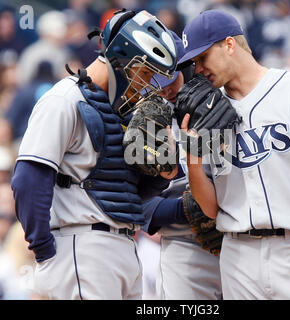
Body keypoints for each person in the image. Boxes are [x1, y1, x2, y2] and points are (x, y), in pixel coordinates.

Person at [177, 9, 290, 300]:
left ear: (229, 45)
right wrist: (194, 162)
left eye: (202, 57)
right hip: (237, 255)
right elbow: (211, 209)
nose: (199, 69)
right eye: (193, 62)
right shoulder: (205, 114)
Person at [11, 9, 177, 300]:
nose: (147, 83)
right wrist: (44, 248)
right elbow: (28, 178)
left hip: (124, 246)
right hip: (82, 246)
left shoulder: (125, 114)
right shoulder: (65, 98)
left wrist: (165, 169)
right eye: (146, 71)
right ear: (123, 59)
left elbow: (128, 194)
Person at [141, 31, 222, 300]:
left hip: (237, 242)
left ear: (186, 66)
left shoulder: (220, 105)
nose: (165, 89)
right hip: (182, 248)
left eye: (169, 78)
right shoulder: (146, 121)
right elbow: (139, 207)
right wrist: (183, 209)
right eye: (156, 82)